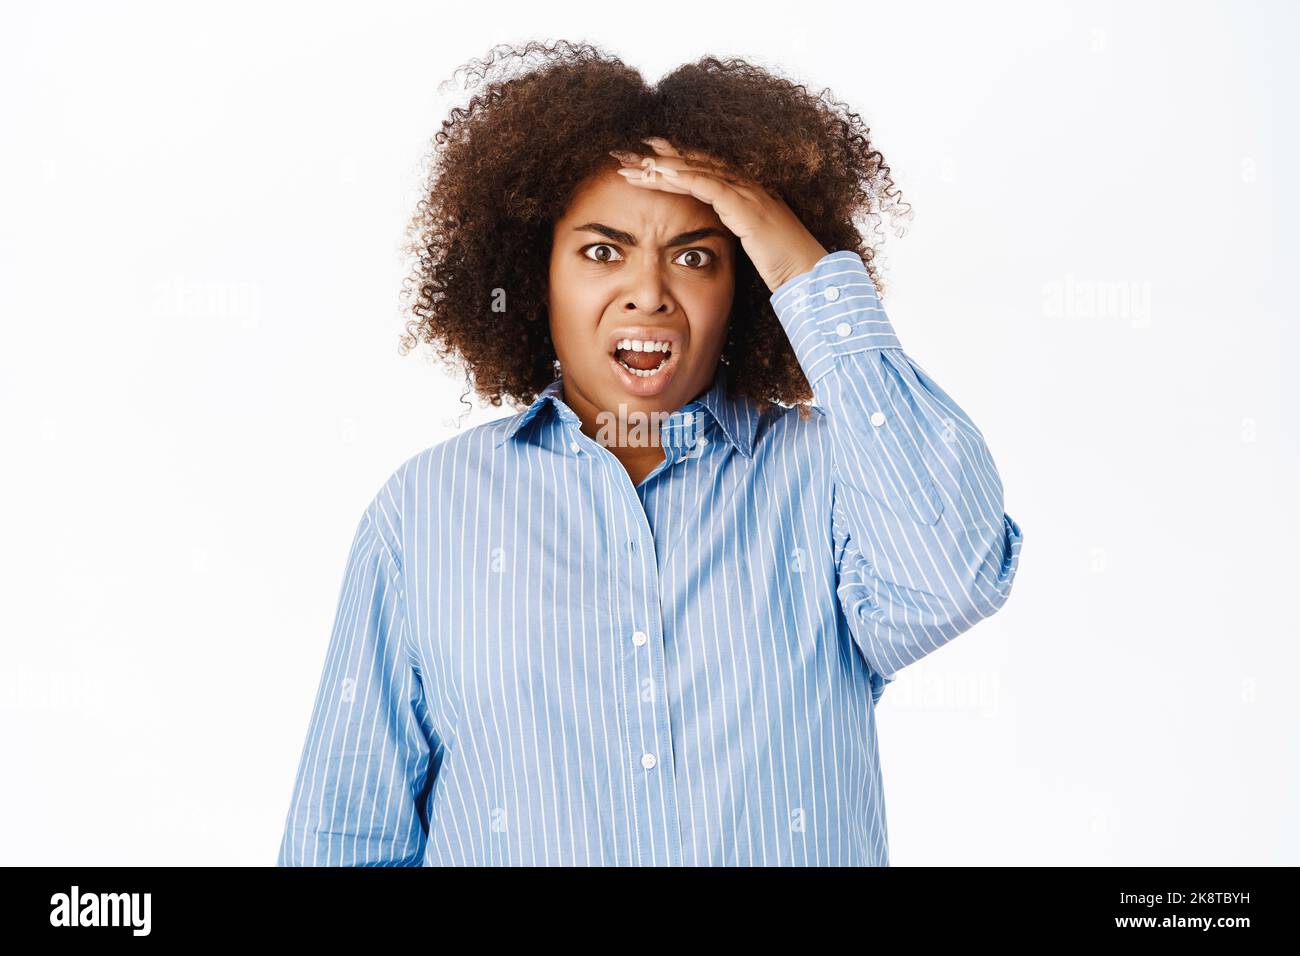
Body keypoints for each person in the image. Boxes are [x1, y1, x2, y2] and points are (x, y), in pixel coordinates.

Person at [276, 41, 1024, 867]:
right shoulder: (424, 516)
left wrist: (802, 265)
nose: (649, 291)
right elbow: (346, 837)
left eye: (697, 256)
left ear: (742, 285)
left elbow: (953, 574)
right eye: (602, 251)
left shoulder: (827, 480)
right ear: (537, 275)